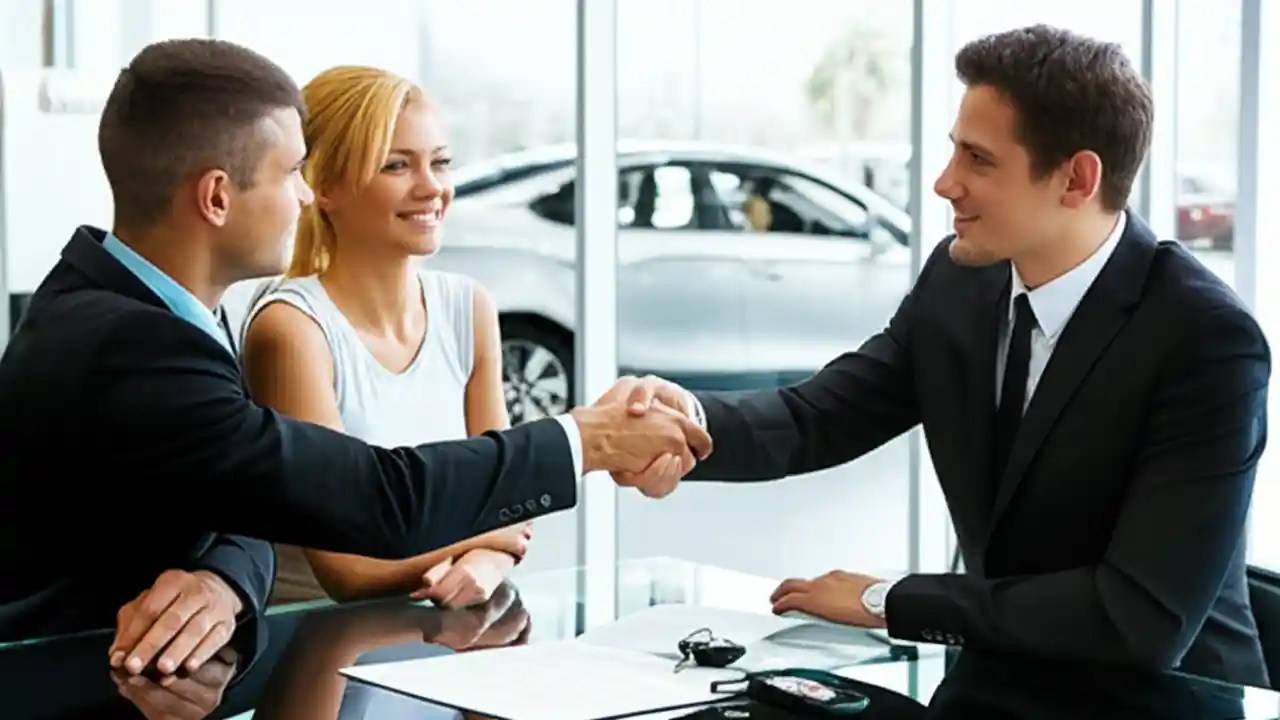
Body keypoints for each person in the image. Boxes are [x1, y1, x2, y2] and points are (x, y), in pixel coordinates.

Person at [0, 38, 709, 682]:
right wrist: (583, 440)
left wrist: (220, 578)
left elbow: (246, 498)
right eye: (291, 174)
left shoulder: (153, 308)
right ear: (217, 197)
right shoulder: (132, 343)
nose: (302, 196)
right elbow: (368, 499)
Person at [616, 24, 1270, 688]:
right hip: (999, 680)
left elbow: (1136, 619)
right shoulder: (962, 281)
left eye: (978, 161)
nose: (944, 183)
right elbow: (823, 415)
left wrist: (890, 601)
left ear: (1077, 178)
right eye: (954, 151)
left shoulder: (1206, 341)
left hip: (1177, 697)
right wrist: (684, 423)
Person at [239, 65, 532, 608]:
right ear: (324, 188)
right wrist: (486, 541)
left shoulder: (468, 308)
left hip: (445, 636)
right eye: (397, 165)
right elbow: (348, 570)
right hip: (317, 653)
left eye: (440, 162)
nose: (432, 188)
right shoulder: (292, 329)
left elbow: (507, 502)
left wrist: (490, 558)